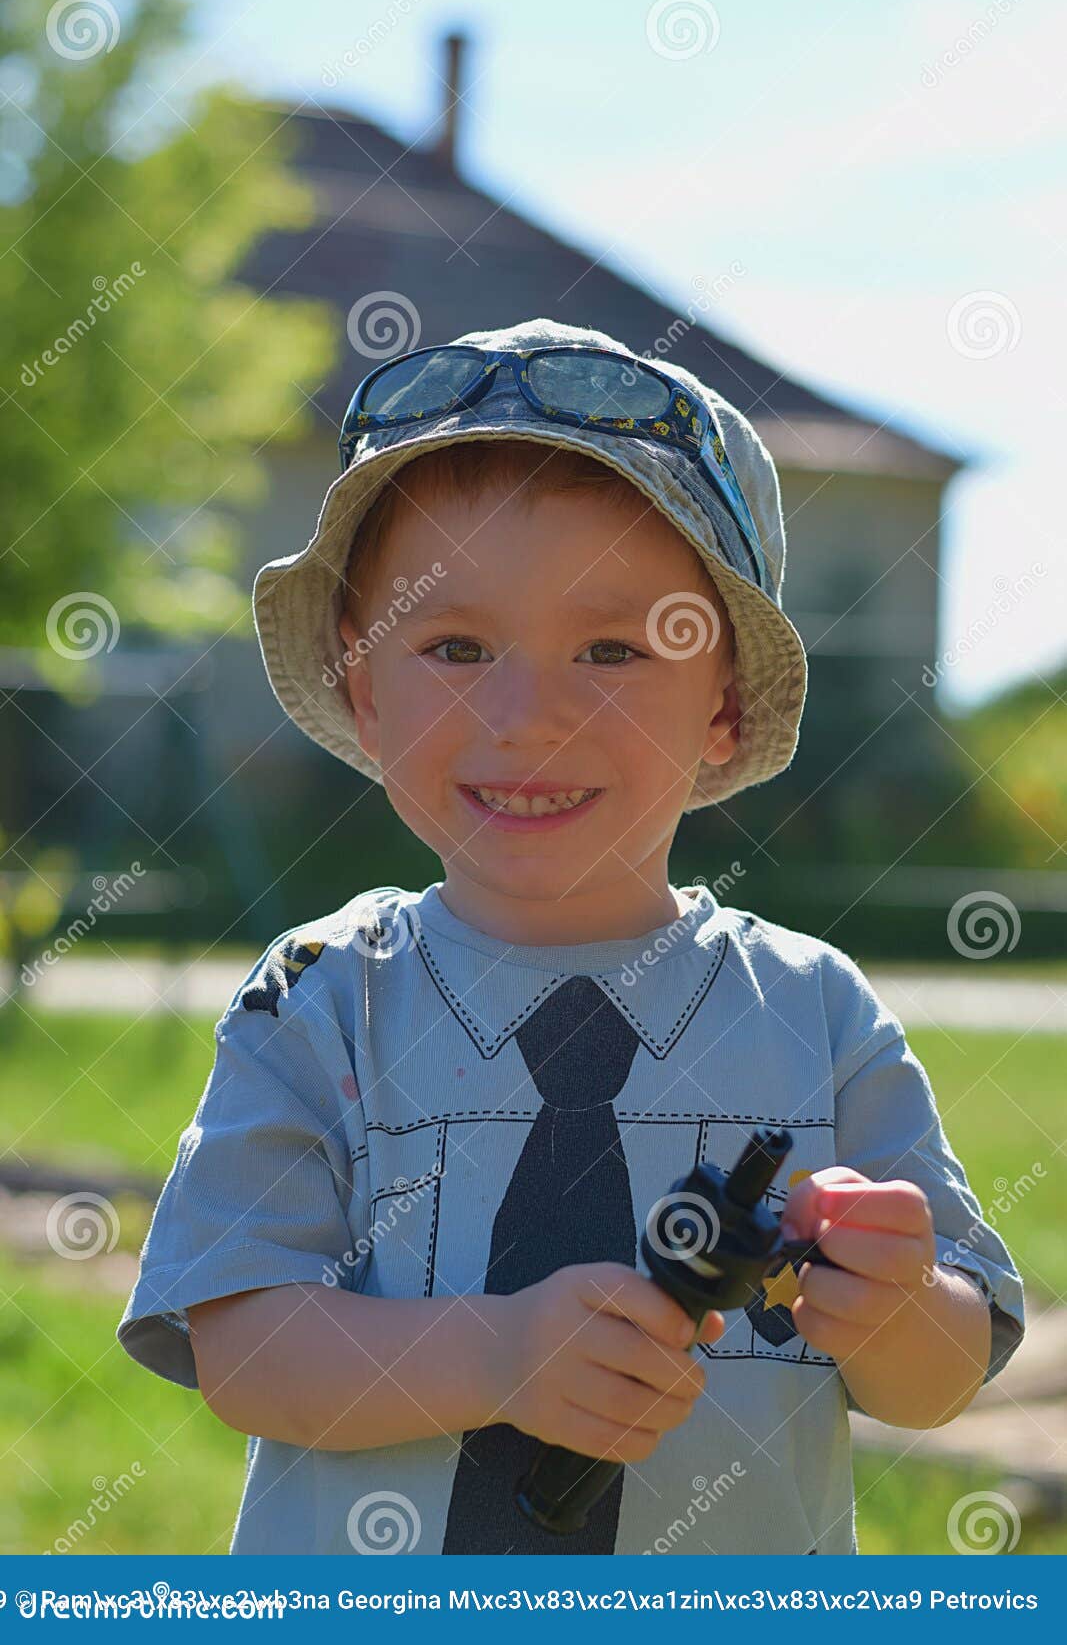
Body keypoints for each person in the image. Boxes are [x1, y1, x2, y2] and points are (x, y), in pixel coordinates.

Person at [116, 317, 1024, 1555]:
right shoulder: (322, 997)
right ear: (365, 689)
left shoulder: (812, 1010)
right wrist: (494, 1353)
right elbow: (243, 1347)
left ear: (722, 705)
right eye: (453, 646)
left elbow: (936, 1377)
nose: (526, 714)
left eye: (610, 648)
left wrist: (898, 1303)